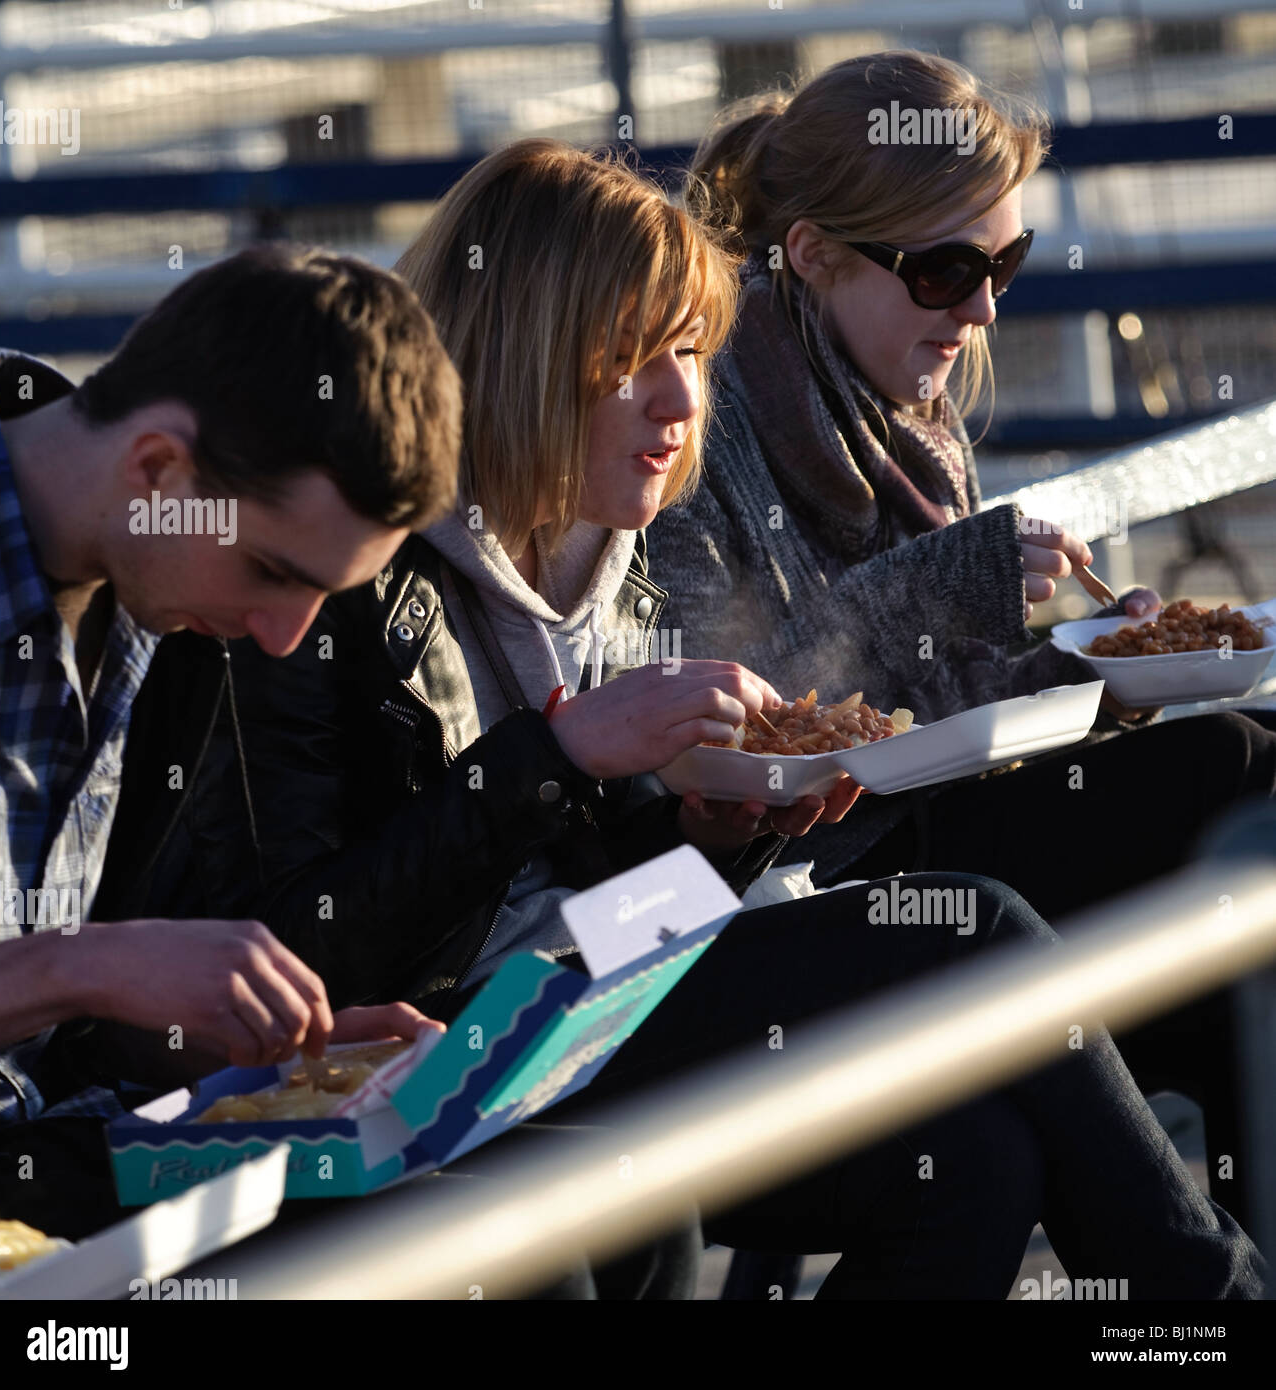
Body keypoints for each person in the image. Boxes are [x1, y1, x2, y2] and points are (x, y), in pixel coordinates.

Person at [95, 139, 1265, 1299]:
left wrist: (721, 836)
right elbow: (298, 957)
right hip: (449, 1040)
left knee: (976, 1162)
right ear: (522, 361)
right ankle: (1216, 1302)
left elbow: (606, 902)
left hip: (588, 991)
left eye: (695, 352)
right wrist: (555, 760)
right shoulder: (331, 581)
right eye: (631, 358)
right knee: (975, 921)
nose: (680, 400)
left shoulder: (617, 558)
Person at [645, 50, 1276, 1221]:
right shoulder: (694, 412)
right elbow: (733, 711)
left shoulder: (907, 394)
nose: (983, 308)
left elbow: (949, 700)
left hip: (936, 840)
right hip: (800, 879)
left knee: (1228, 924)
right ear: (814, 254)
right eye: (946, 270)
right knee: (1237, 770)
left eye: (1007, 263)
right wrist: (949, 580)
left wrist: (1103, 667)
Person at [0, 244, 461, 1239]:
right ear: (158, 466)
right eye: (274, 570)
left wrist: (266, 1063)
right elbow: (72, 975)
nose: (284, 635)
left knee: (580, 1216)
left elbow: (57, 1047)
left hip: (54, 1162)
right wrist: (81, 964)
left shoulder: (151, 585)